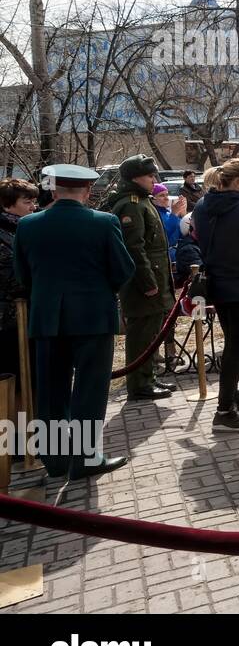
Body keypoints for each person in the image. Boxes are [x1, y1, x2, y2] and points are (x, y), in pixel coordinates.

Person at [14, 165, 135, 478]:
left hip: (46, 318)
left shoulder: (27, 225)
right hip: (93, 317)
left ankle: (55, 459)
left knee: (51, 390)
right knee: (90, 389)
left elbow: (22, 276)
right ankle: (85, 458)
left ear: (53, 192)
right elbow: (122, 270)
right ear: (87, 191)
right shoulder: (103, 222)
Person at [192, 158, 239, 433]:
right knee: (238, 348)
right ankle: (224, 410)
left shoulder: (202, 206)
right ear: (236, 182)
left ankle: (232, 396)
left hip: (219, 285)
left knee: (233, 344)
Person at [102, 155, 176, 401]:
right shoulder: (132, 204)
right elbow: (134, 248)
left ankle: (148, 377)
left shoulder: (142, 201)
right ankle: (140, 383)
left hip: (153, 278)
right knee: (142, 332)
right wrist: (148, 283)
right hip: (143, 283)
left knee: (151, 329)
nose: (154, 180)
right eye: (149, 176)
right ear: (135, 178)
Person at [0, 178, 38, 386]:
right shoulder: (4, 233)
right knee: (15, 379)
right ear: (7, 204)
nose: (33, 207)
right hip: (10, 319)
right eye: (27, 202)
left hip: (30, 314)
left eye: (33, 201)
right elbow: (12, 277)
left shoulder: (26, 228)